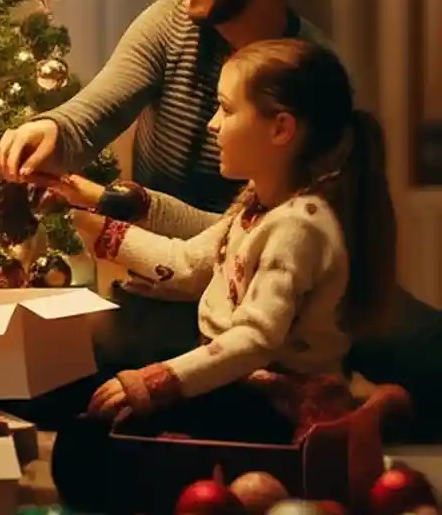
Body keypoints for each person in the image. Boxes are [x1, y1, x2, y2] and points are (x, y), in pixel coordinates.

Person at [0, 0, 442, 426]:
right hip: (177, 281)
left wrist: (115, 207)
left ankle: (363, 411)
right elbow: (89, 117)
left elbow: (272, 240)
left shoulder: (314, 77)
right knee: (60, 368)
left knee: (425, 347)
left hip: (279, 284)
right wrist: (50, 133)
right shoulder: (167, 25)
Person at [50, 38, 399, 513]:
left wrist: (156, 382)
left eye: (225, 109)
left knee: (107, 437)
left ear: (281, 129)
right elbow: (191, 265)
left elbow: (254, 338)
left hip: (272, 405)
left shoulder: (298, 226)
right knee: (93, 418)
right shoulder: (256, 207)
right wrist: (88, 222)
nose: (212, 124)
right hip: (236, 384)